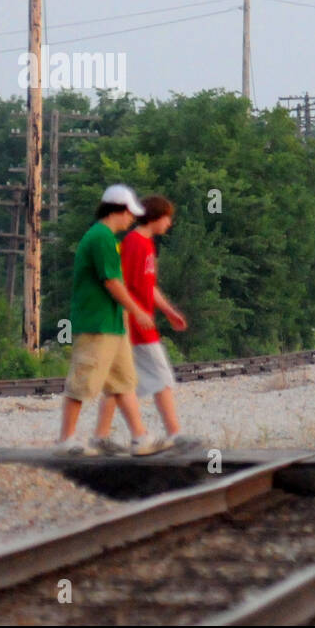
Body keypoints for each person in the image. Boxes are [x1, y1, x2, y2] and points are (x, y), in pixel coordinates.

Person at [55, 185, 172, 457]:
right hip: (96, 323)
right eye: (130, 213)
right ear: (118, 210)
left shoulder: (108, 238)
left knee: (123, 382)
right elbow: (112, 281)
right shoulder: (101, 238)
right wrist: (138, 310)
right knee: (82, 381)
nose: (132, 219)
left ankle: (140, 438)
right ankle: (66, 440)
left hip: (113, 323)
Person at [91, 194, 197, 454]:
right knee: (162, 377)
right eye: (167, 218)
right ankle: (176, 434)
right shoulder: (134, 244)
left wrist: (169, 311)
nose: (169, 224)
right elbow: (120, 283)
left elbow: (149, 287)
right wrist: (128, 318)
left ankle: (100, 438)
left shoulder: (147, 244)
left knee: (121, 384)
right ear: (156, 217)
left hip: (139, 324)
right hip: (134, 326)